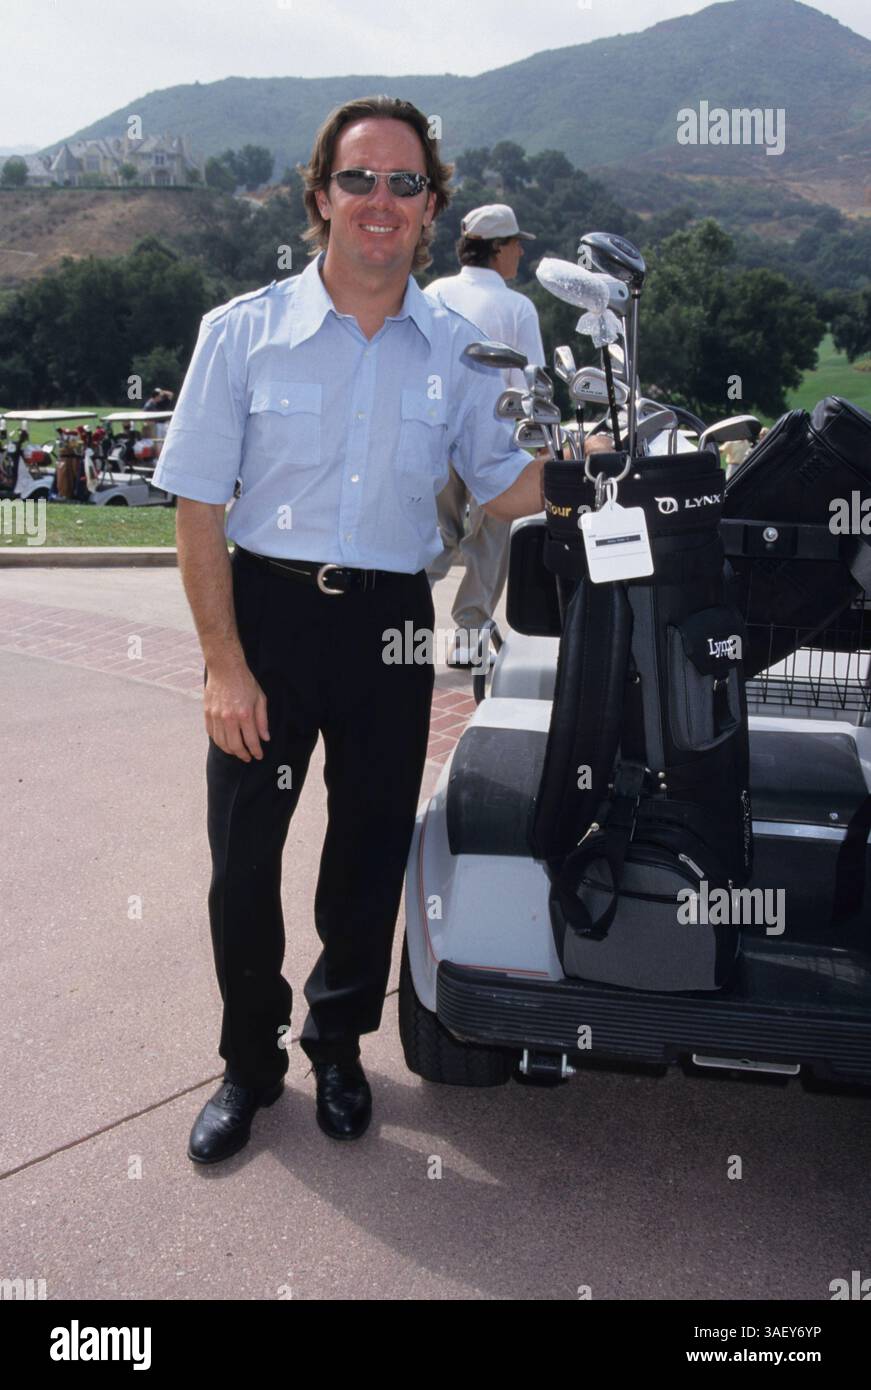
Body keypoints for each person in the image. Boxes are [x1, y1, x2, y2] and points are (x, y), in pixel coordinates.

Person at [152, 96, 611, 1166]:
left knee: (365, 854)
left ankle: (338, 1043)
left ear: (430, 206)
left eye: (405, 183)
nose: (380, 201)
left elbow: (503, 489)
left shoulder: (455, 349)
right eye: (359, 179)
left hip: (388, 630)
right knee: (242, 863)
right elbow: (196, 509)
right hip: (265, 621)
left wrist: (593, 465)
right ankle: (250, 1062)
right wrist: (223, 665)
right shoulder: (243, 331)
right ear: (320, 197)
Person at [424, 204, 546, 666]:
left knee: (436, 535)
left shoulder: (434, 292)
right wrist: (544, 449)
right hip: (497, 440)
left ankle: (396, 627)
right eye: (516, 244)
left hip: (436, 432)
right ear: (497, 249)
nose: (519, 252)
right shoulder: (516, 306)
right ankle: (470, 640)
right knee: (489, 542)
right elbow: (529, 385)